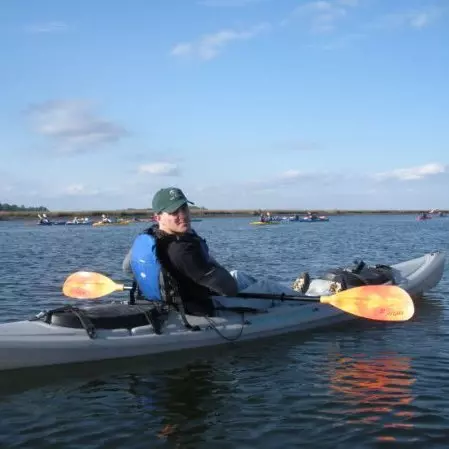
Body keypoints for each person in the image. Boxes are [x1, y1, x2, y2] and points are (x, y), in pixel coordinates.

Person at [122, 187, 244, 316]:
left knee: (237, 275)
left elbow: (127, 268)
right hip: (192, 313)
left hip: (160, 305)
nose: (183, 215)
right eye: (174, 212)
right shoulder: (184, 250)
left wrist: (161, 286)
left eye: (184, 208)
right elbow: (230, 289)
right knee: (251, 281)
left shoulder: (149, 237)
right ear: (158, 218)